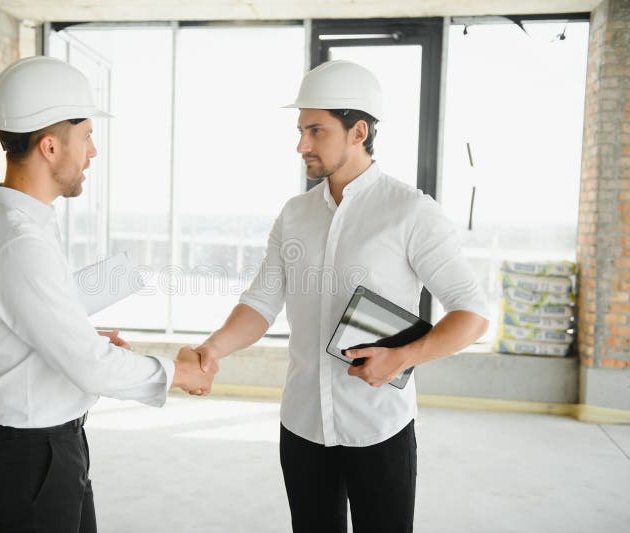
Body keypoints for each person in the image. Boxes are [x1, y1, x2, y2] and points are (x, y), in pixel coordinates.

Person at [193, 60, 490, 532]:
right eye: (300, 130)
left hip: (379, 427)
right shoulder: (294, 214)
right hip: (303, 426)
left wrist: (403, 357)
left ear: (358, 131)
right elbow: (261, 302)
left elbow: (472, 313)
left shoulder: (410, 212)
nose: (301, 145)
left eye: (315, 130)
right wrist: (215, 346)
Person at [0, 56, 215, 533]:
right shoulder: (20, 241)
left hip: (40, 447)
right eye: (87, 137)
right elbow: (87, 364)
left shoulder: (20, 227)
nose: (93, 152)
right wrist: (180, 372)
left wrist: (80, 330)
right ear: (51, 146)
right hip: (30, 454)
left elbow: (33, 325)